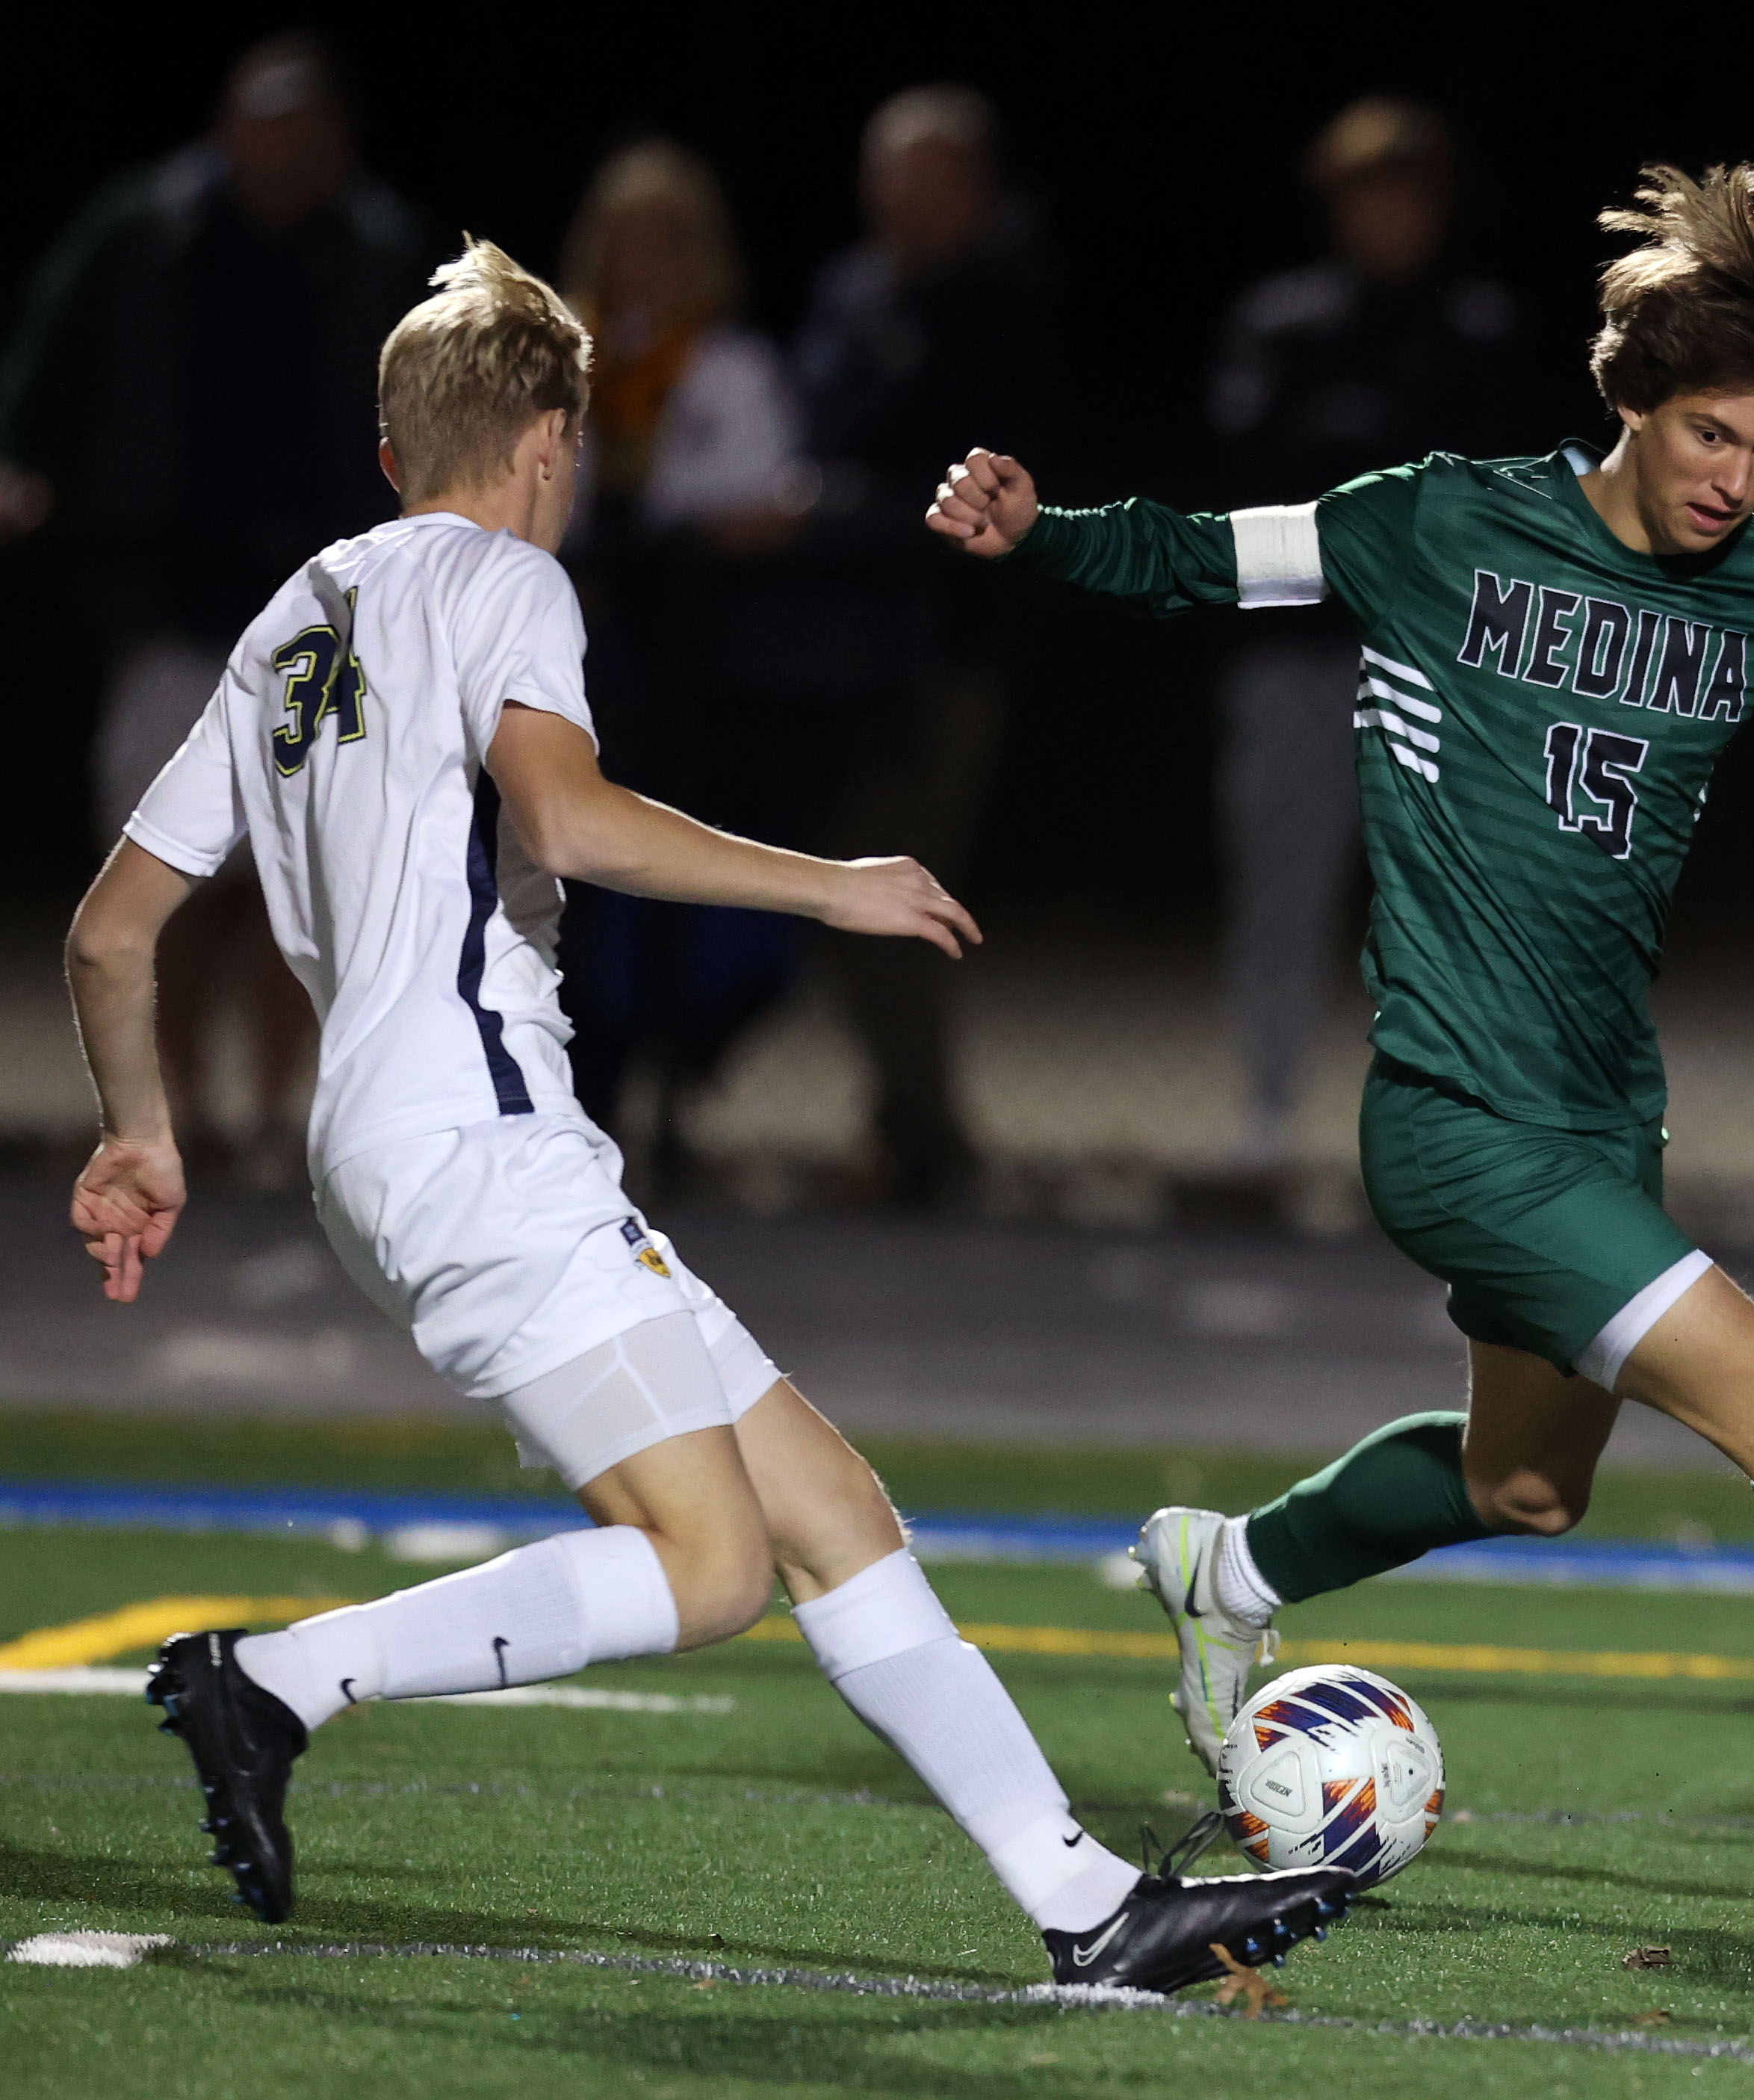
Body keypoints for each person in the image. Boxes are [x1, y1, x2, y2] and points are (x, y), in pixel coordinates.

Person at [929, 164, 1754, 1899]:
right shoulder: (1441, 522)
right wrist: (1037, 528)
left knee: (1526, 1485)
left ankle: (1232, 1568)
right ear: (1624, 402)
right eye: (1708, 434)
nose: (1736, 475)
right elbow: (1206, 558)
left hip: (1595, 1114)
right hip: (1453, 1117)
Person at [66, 241, 1352, 1990]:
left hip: (415, 1148)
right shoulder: (507, 581)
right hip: (479, 1139)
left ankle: (1084, 1901)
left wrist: (141, 1130)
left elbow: (111, 928)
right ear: (547, 437)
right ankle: (281, 1677)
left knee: (831, 1510)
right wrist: (835, 884)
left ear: (392, 449)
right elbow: (573, 823)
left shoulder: (295, 613)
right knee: (712, 1564)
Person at [0, 33, 430, 1181]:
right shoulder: (146, 230)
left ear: (337, 142)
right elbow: (48, 352)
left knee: (302, 882)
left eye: (306, 137)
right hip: (170, 605)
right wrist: (23, 458)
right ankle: (185, 1103)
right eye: (263, 134)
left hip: (325, 611)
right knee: (175, 884)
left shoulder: (383, 250)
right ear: (229, 133)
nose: (283, 158)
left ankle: (281, 1118)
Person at [1206, 97, 1534, 1171]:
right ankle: (1267, 1113)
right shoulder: (1281, 325)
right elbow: (1249, 486)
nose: (1387, 213)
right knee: (1282, 884)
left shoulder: (1482, 332)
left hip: (1444, 666)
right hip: (1299, 654)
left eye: (1408, 191)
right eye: (1366, 192)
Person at [790, 85, 1066, 1205]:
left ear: (976, 187)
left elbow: (992, 488)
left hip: (949, 650)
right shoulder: (853, 293)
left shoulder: (1006, 304)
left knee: (897, 894)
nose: (901, 200)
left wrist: (831, 507)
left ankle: (929, 1145)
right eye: (887, 176)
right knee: (843, 894)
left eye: (929, 178)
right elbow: (815, 424)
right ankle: (910, 1132)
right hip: (831, 645)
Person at [556, 140, 817, 1196]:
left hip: (701, 666)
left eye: (667, 241)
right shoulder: (564, 364)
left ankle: (673, 1096)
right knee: (577, 881)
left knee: (687, 878)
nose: (644, 261)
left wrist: (684, 529)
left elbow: (765, 499)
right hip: (584, 659)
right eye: (627, 240)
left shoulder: (732, 367)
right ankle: (587, 1102)